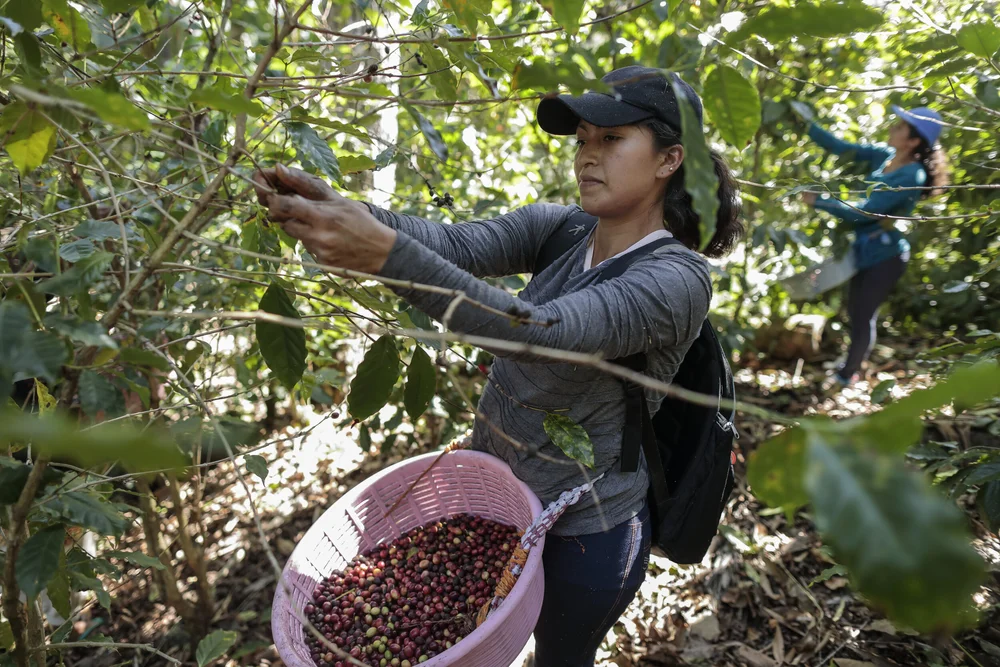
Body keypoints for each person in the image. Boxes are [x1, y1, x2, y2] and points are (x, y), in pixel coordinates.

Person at [254, 66, 743, 667]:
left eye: (611, 140)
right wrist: (340, 209)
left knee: (560, 658)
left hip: (587, 534)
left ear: (670, 159)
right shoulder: (564, 229)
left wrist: (383, 255)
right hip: (500, 505)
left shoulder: (675, 279)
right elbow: (454, 246)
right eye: (583, 139)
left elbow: (543, 335)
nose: (587, 156)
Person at [798, 105, 950, 389]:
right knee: (854, 310)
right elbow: (843, 148)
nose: (893, 128)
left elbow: (866, 212)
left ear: (914, 141)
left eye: (900, 127)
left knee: (862, 315)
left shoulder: (911, 176)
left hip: (886, 257)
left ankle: (847, 374)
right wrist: (806, 123)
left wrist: (819, 202)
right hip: (865, 250)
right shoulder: (886, 156)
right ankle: (849, 367)